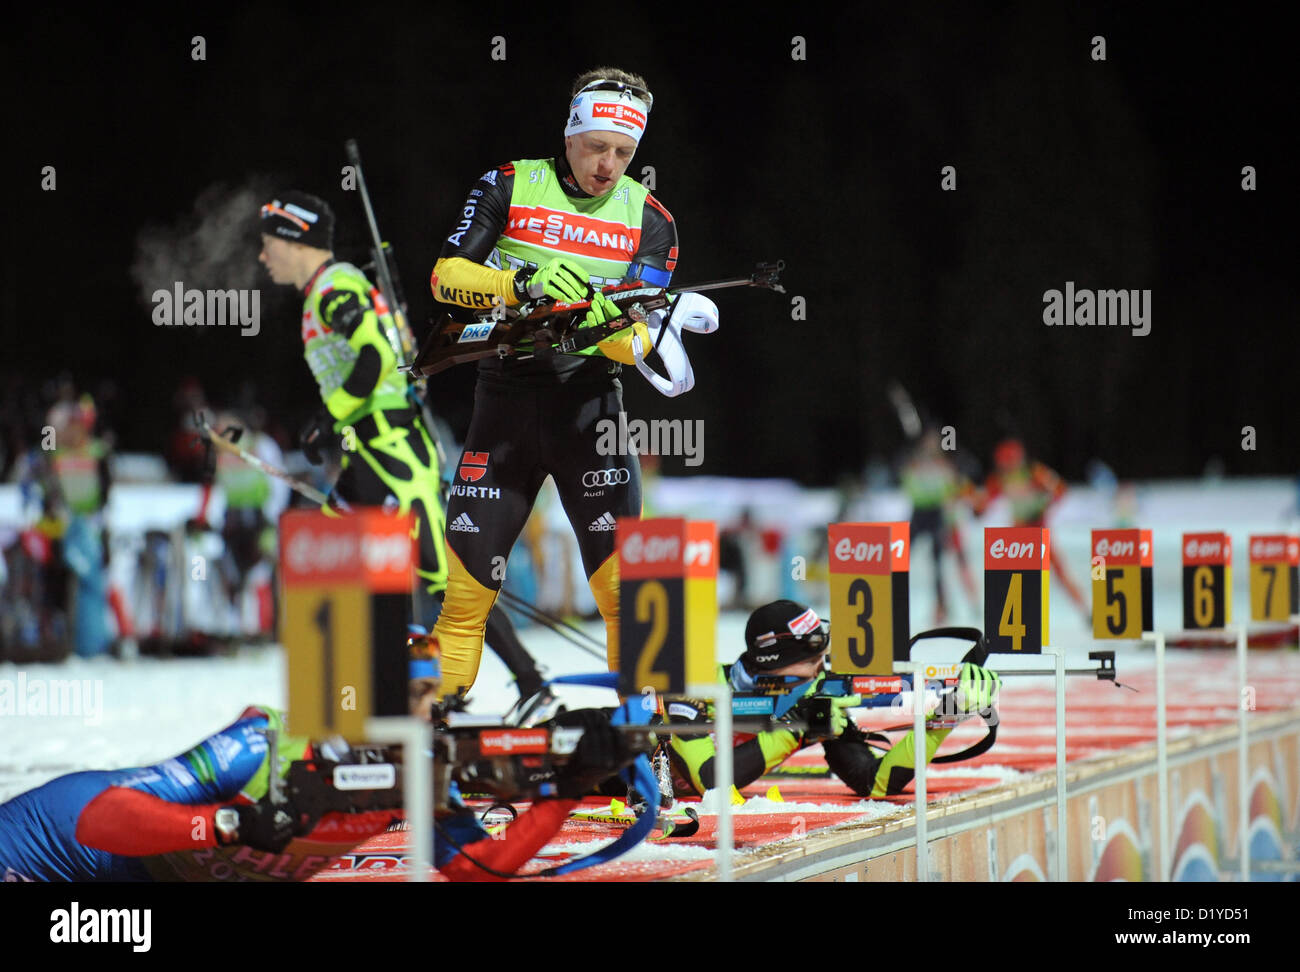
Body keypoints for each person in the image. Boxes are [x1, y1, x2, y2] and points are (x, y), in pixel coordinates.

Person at [429, 67, 712, 699]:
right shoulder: (509, 184)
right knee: (464, 601)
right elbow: (446, 277)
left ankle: (648, 766)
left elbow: (641, 343)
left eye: (625, 153)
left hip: (590, 415)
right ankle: (430, 767)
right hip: (501, 410)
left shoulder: (651, 219)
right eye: (597, 147)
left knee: (625, 601)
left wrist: (599, 320)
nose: (609, 165)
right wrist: (521, 285)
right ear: (570, 134)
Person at [257, 192, 542, 698]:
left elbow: (373, 359)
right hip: (371, 455)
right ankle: (363, 689)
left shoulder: (334, 288)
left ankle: (528, 683)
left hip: (394, 455)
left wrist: (327, 419)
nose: (263, 257)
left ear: (293, 240)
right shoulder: (332, 288)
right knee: (332, 563)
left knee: (441, 580)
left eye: (267, 244)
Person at [0, 705, 399, 882]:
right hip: (59, 842)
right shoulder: (263, 745)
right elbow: (102, 816)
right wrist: (228, 824)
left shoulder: (420, 783)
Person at [661, 600, 1002, 799]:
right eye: (812, 662)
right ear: (771, 664)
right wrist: (797, 729)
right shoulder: (696, 684)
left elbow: (876, 782)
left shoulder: (815, 694)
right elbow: (708, 781)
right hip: (614, 775)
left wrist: (946, 715)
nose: (821, 671)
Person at [967, 438, 1087, 614]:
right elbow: (985, 502)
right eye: (1005, 463)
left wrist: (1044, 506)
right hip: (1019, 530)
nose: (1009, 467)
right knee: (1015, 575)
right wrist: (977, 508)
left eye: (1011, 462)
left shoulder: (1034, 472)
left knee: (1056, 571)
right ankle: (1011, 615)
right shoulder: (1001, 479)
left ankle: (1082, 606)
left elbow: (1059, 490)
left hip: (1038, 528)